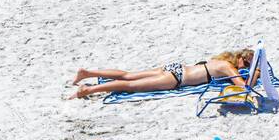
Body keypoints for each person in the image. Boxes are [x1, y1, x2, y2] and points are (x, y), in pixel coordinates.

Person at [71, 48, 258, 99]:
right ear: (241, 59)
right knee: (129, 87)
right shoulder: (228, 67)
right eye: (246, 64)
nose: (244, 68)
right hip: (177, 78)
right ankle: (88, 90)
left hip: (174, 68)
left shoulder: (219, 59)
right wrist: (255, 73)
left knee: (128, 75)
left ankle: (87, 72)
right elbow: (244, 87)